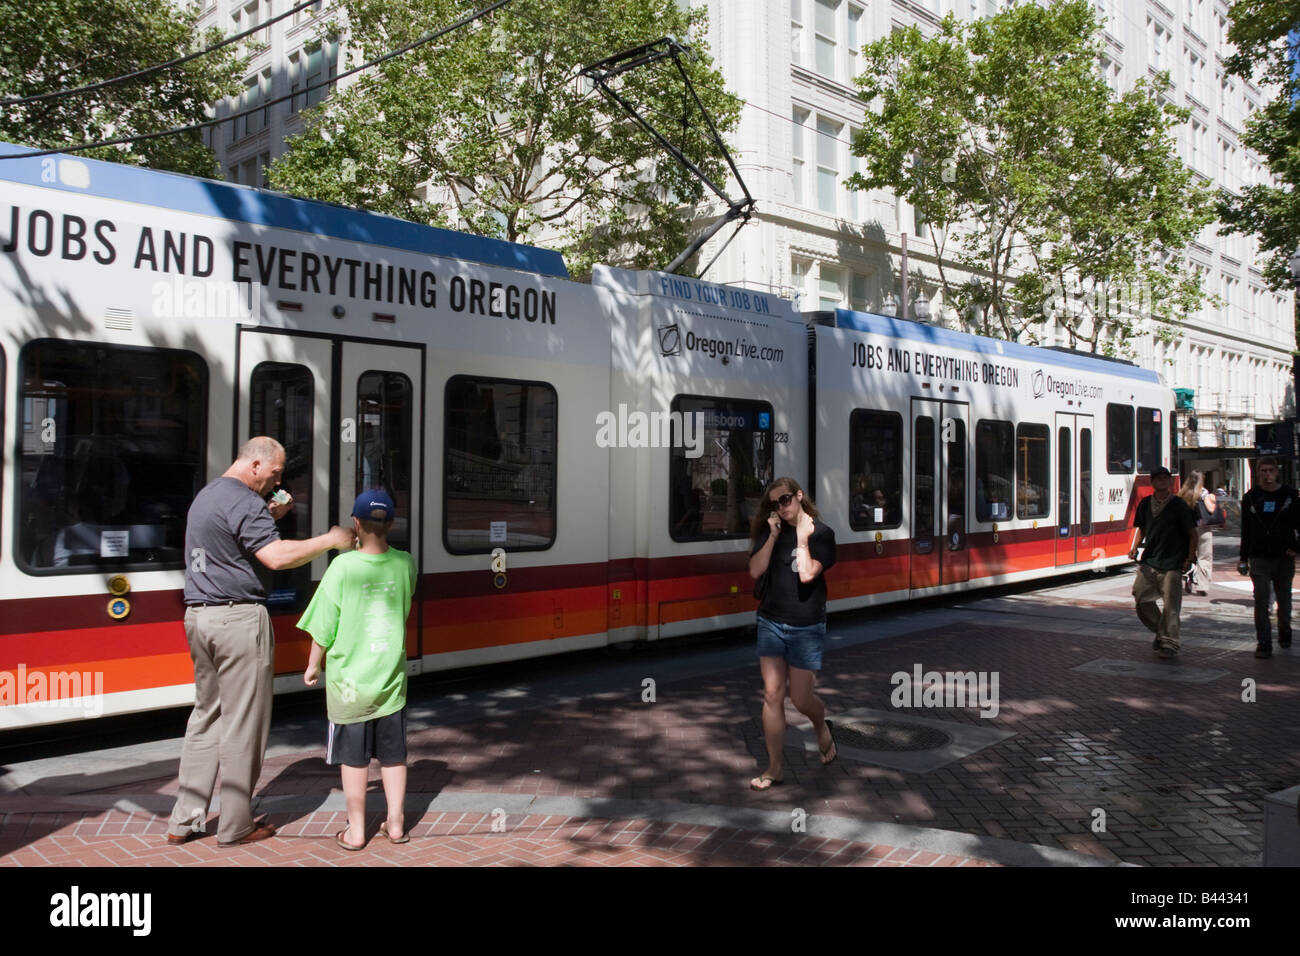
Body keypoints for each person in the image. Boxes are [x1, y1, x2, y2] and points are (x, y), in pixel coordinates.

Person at [166, 437, 355, 847]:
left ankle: (185, 819)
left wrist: (269, 514)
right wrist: (330, 540)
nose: (277, 480)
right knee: (243, 724)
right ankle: (235, 825)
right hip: (237, 618)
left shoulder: (209, 495)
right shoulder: (245, 503)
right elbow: (276, 557)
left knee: (206, 718)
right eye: (275, 473)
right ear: (254, 465)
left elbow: (226, 542)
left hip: (198, 616)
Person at [299, 490, 417, 850]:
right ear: (392, 524)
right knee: (394, 755)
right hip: (390, 681)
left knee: (353, 759)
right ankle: (395, 824)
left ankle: (356, 831)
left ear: (355, 524)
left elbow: (324, 625)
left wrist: (313, 664)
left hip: (349, 685)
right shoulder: (405, 563)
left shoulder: (342, 568)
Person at [747, 477, 837, 790]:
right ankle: (774, 769)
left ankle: (821, 725)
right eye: (775, 504)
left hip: (807, 625)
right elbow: (755, 571)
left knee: (800, 699)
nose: (781, 508)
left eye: (785, 499)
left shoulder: (822, 534)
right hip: (771, 622)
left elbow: (808, 572)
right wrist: (771, 538)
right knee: (772, 694)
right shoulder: (769, 532)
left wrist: (802, 539)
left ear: (799, 496)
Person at [1128, 466, 1197, 659]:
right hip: (1150, 559)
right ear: (1152, 482)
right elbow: (1141, 527)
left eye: (1165, 478)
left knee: (1171, 604)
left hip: (1173, 561)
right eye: (1158, 478)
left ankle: (1170, 642)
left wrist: (1190, 558)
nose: (1162, 481)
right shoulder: (1145, 504)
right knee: (1141, 597)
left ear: (1170, 481)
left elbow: (1193, 534)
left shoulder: (1179, 505)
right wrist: (1135, 546)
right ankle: (1162, 632)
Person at [1238, 457, 1299, 659]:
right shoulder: (1250, 498)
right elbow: (1245, 531)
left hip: (1284, 557)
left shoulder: (1290, 495)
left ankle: (1285, 629)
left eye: (1270, 470)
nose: (1267, 475)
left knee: (1284, 600)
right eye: (1263, 470)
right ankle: (1263, 642)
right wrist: (1243, 558)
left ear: (1277, 472)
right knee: (1261, 599)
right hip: (1259, 557)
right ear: (1257, 473)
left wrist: (1296, 548)